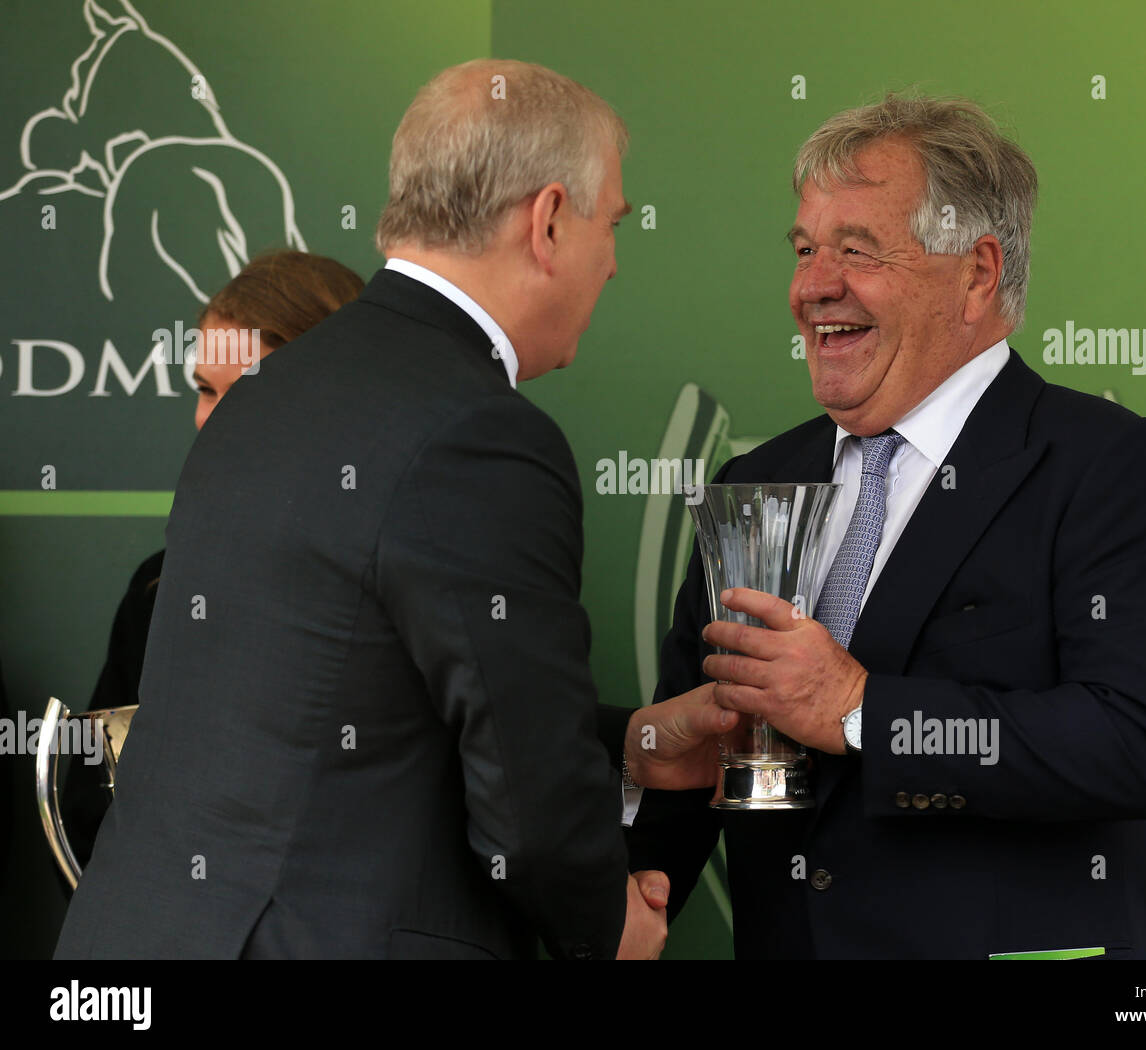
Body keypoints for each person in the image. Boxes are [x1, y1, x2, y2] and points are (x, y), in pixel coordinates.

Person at [55, 59, 731, 961]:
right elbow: (524, 812)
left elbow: (350, 705)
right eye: (612, 222)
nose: (613, 258)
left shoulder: (260, 396)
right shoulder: (482, 435)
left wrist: (635, 745)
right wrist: (610, 924)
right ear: (549, 221)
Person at [628, 94, 1146, 959]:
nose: (812, 286)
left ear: (975, 273)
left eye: (856, 250)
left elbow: (1138, 744)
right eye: (804, 249)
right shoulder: (754, 482)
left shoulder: (1106, 464)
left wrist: (862, 711)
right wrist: (626, 893)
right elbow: (700, 758)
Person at [59, 251, 367, 872]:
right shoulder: (158, 585)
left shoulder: (413, 575)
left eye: (254, 391)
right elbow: (86, 805)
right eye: (205, 389)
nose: (216, 420)